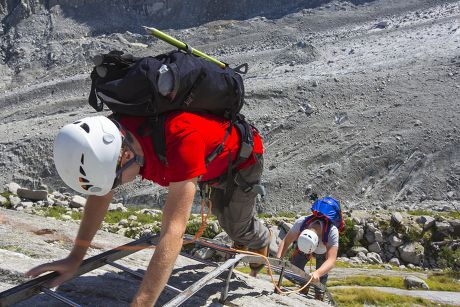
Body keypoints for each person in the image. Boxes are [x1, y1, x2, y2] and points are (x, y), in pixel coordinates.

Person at [26, 112, 270, 306]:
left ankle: (261, 239)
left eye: (117, 180)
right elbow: (101, 193)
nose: (118, 186)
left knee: (235, 225)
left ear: (126, 155)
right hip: (207, 160)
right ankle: (241, 240)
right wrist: (75, 257)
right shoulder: (114, 132)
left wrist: (141, 303)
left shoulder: (181, 138)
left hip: (240, 163)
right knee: (224, 214)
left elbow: (173, 231)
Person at [276, 197, 340, 301]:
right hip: (303, 247)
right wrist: (278, 258)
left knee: (320, 279)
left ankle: (319, 295)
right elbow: (286, 241)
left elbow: (331, 260)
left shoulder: (332, 232)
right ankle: (304, 284)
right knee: (295, 266)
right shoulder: (301, 223)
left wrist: (317, 273)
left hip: (323, 252)